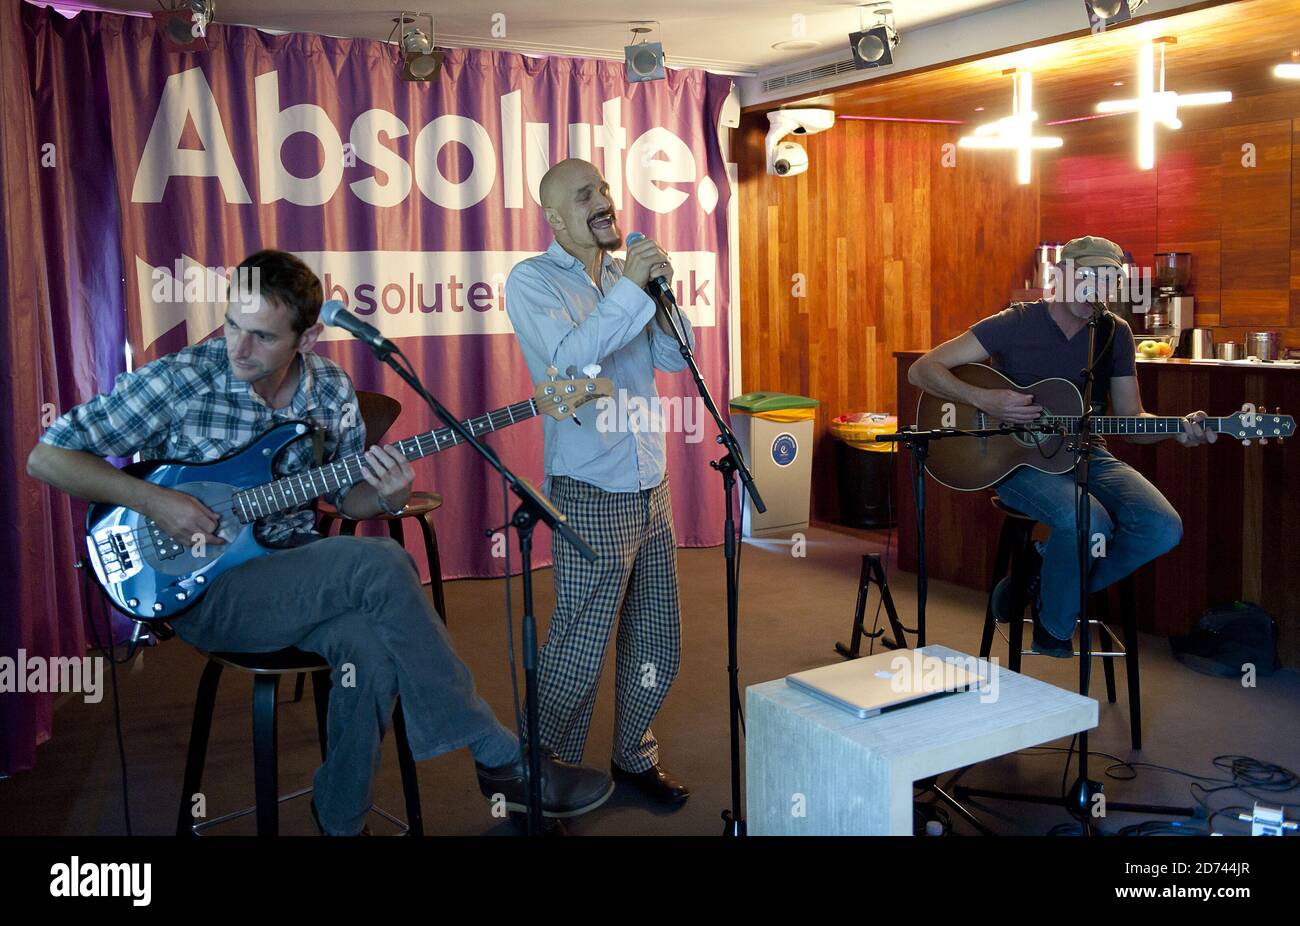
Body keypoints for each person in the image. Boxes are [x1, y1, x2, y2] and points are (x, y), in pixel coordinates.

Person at [27, 249, 612, 835]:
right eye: (231, 324)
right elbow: (47, 457)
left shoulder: (329, 390)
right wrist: (154, 500)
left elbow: (347, 500)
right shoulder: (182, 379)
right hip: (204, 590)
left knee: (370, 649)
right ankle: (500, 758)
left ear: (306, 338)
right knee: (382, 559)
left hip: (296, 571)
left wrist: (383, 496)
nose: (237, 347)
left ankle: (340, 819)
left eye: (261, 336)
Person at [907, 236, 1214, 656]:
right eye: (1087, 276)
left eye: (1108, 279)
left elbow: (1132, 422)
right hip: (1014, 461)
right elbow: (923, 370)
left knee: (1162, 527)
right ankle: (1053, 628)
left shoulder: (1114, 333)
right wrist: (984, 399)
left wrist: (1178, 428)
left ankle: (1042, 575)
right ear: (1060, 276)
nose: (1097, 288)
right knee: (1090, 520)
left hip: (1088, 451)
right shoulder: (1015, 323)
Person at [503, 159, 691, 805]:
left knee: (656, 635)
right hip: (591, 485)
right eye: (586, 195)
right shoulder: (533, 281)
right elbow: (568, 360)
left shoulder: (623, 275)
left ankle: (633, 755)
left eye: (605, 188)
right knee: (579, 646)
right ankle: (542, 778)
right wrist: (632, 291)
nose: (605, 200)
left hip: (649, 480)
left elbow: (670, 359)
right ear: (555, 217)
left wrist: (662, 293)